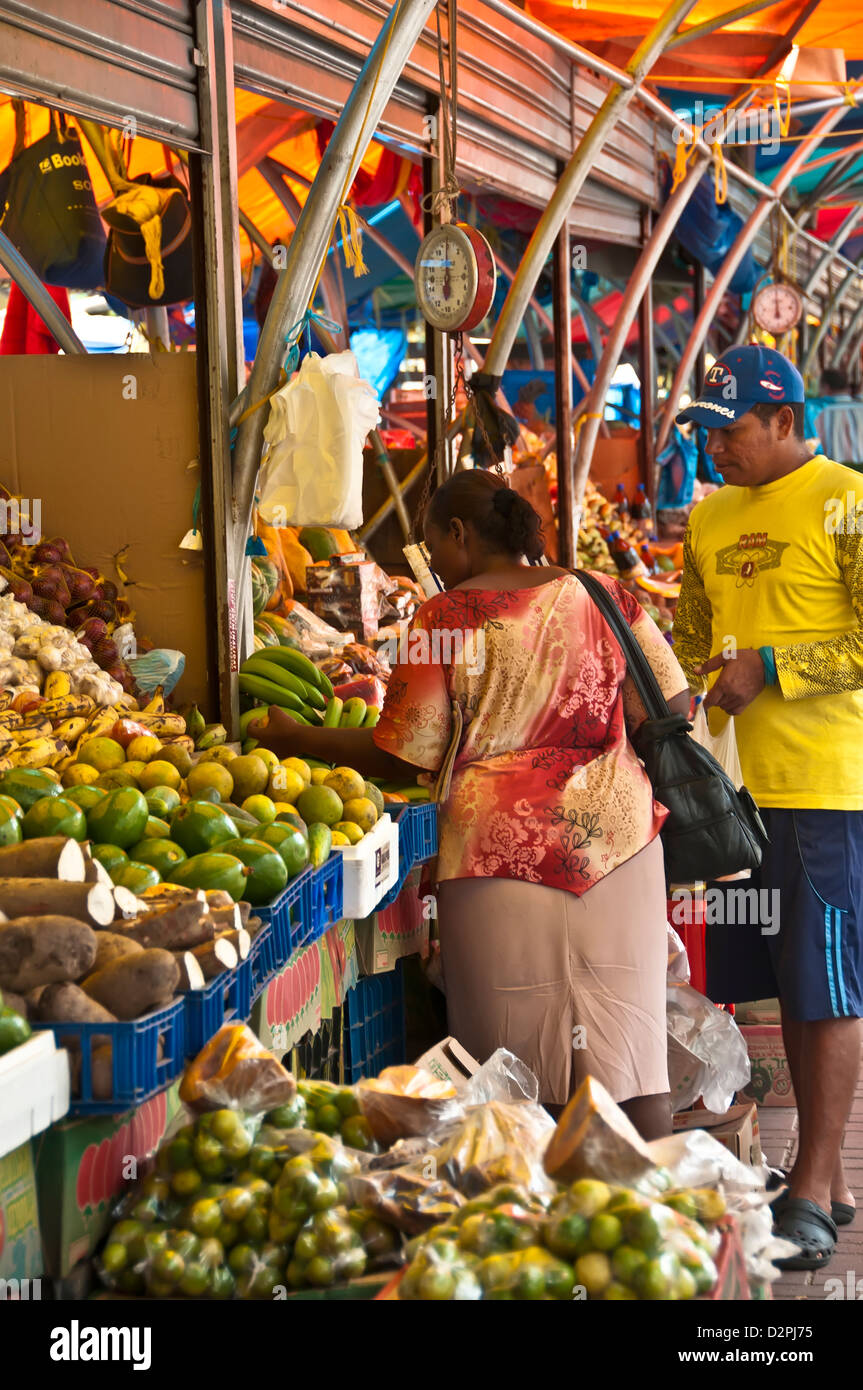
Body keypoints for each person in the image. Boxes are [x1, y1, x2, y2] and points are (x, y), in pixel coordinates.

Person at [252, 470, 690, 1140]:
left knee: (507, 1070)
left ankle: (529, 1222)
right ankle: (662, 1222)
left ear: (457, 533)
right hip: (618, 844)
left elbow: (405, 752)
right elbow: (672, 702)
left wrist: (295, 737)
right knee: (631, 1057)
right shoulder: (603, 594)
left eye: (431, 550)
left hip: (496, 854)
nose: (433, 568)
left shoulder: (445, 617)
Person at [673, 344, 863, 1271]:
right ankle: (814, 1167)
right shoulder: (705, 521)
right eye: (705, 434)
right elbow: (687, 641)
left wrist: (773, 671)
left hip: (829, 785)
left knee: (826, 983)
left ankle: (818, 1186)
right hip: (733, 798)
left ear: (786, 418)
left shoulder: (847, 501)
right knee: (786, 979)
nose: (716, 450)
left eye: (731, 431)